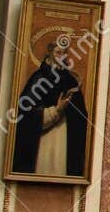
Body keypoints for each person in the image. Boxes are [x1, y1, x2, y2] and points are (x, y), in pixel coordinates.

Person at [11, 39, 89, 178]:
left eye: (64, 53)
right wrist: (56, 109)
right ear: (50, 53)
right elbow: (25, 113)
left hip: (64, 134)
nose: (61, 56)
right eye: (58, 52)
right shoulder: (38, 78)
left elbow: (81, 116)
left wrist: (71, 109)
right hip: (43, 138)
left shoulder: (70, 80)